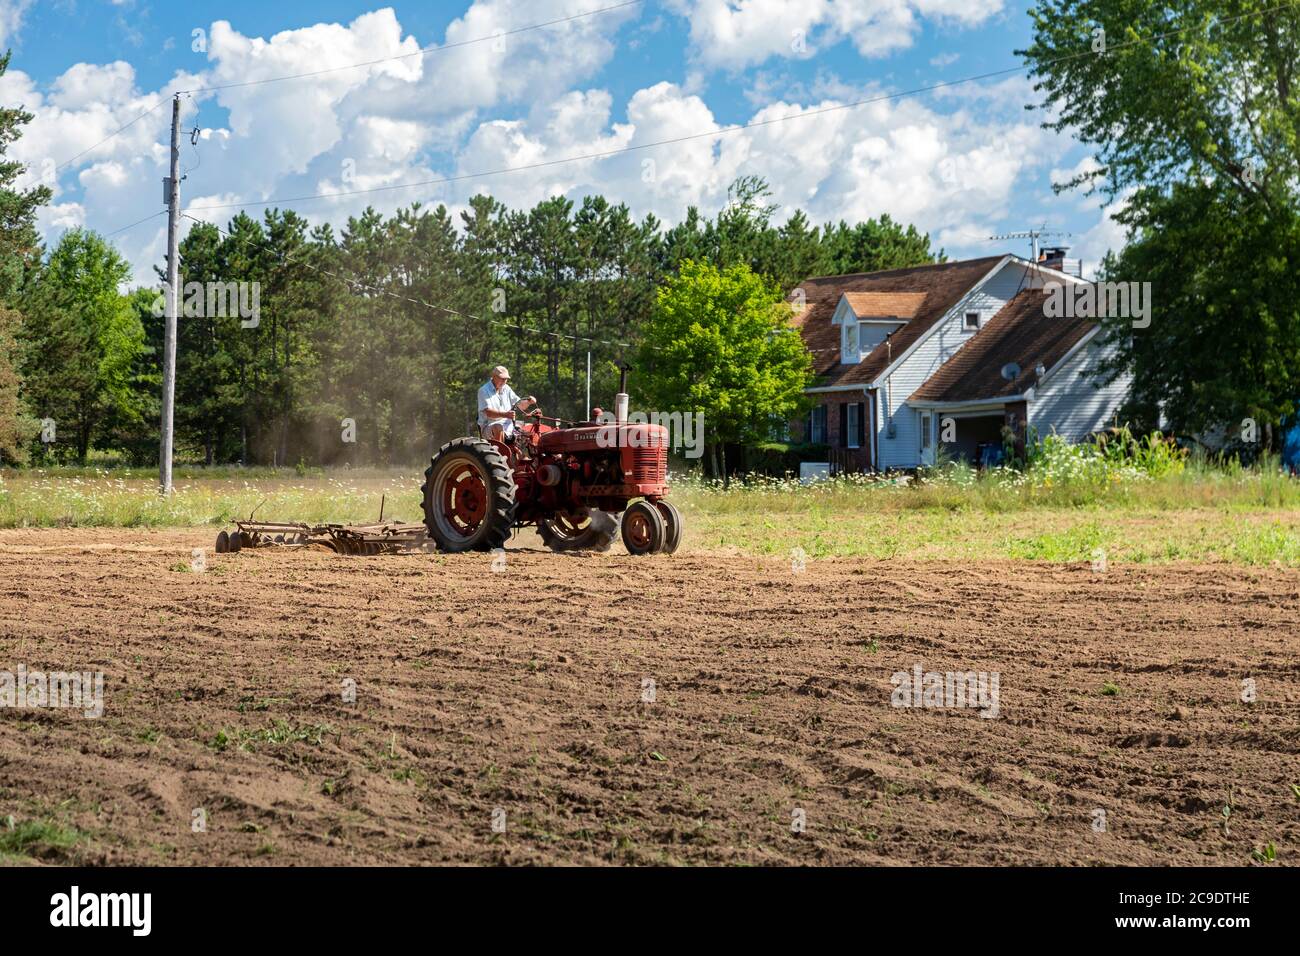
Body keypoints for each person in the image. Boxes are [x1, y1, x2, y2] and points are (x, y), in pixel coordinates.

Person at [477, 365, 536, 440]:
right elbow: (488, 413)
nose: (504, 381)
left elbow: (519, 405)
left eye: (506, 379)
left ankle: (528, 451)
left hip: (508, 424)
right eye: (502, 378)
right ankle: (500, 451)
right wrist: (505, 415)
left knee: (530, 427)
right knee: (498, 428)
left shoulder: (506, 388)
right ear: (494, 376)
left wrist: (529, 402)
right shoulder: (483, 390)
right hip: (489, 426)